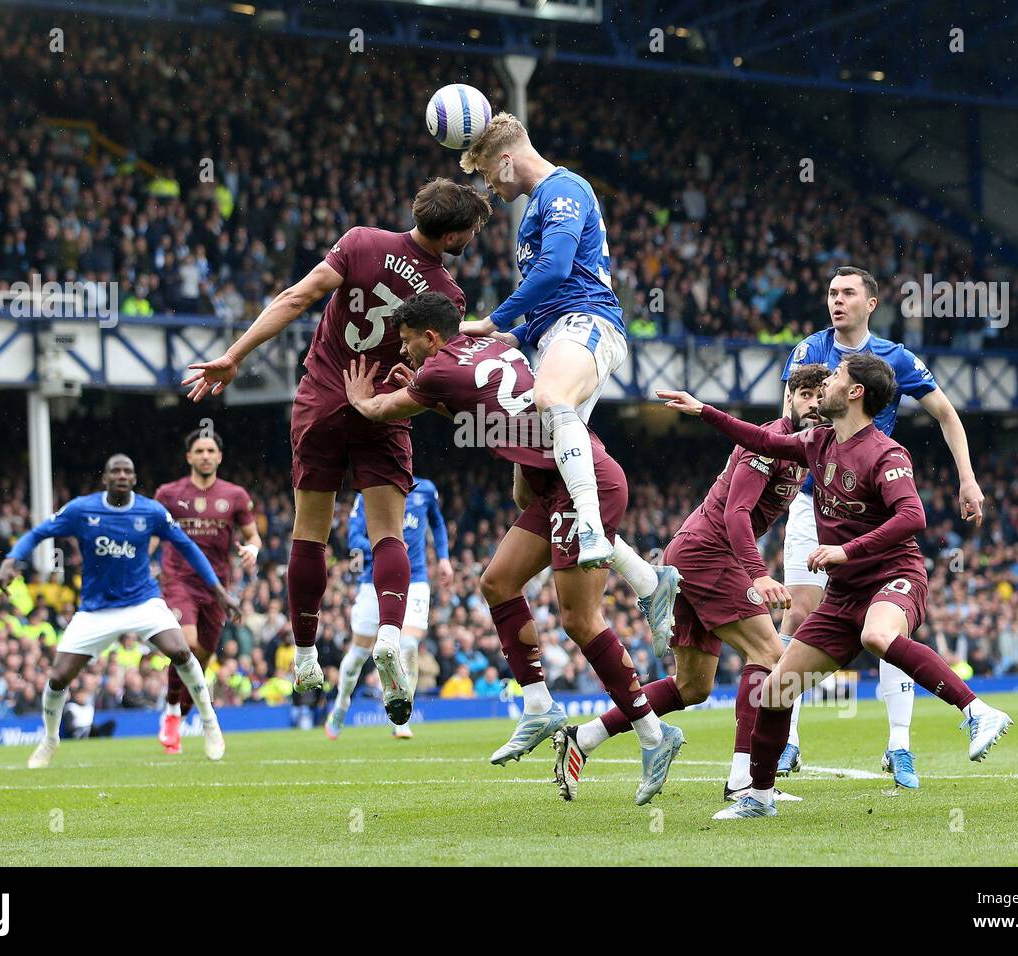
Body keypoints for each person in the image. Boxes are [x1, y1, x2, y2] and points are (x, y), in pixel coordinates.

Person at [343, 291, 684, 805]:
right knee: (497, 581)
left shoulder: (436, 369)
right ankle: (541, 705)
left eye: (409, 341)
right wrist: (421, 390)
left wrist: (360, 400)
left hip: (580, 482)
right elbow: (479, 401)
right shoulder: (488, 349)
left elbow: (383, 411)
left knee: (578, 619)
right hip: (555, 481)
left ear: (431, 336)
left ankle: (654, 735)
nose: (405, 350)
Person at [183, 179, 490, 726]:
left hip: (323, 397)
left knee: (310, 533)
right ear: (450, 234)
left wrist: (234, 356)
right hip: (384, 405)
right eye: (472, 229)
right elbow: (436, 371)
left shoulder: (361, 243)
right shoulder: (447, 296)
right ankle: (390, 637)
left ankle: (305, 655)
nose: (476, 236)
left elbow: (296, 298)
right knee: (388, 534)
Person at [655, 354, 1013, 820]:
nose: (827, 382)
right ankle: (759, 798)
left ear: (856, 392)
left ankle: (976, 712)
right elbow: (760, 438)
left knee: (877, 636)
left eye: (837, 376)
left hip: (893, 576)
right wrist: (703, 410)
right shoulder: (817, 441)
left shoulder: (887, 453)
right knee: (778, 690)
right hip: (843, 596)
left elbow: (913, 517)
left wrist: (847, 551)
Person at [552, 363, 829, 803]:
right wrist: (758, 572)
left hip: (694, 553)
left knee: (693, 687)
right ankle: (745, 779)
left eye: (821, 395)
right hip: (708, 553)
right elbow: (736, 514)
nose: (814, 403)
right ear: (790, 398)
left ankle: (583, 737)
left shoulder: (805, 448)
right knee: (771, 654)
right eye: (806, 395)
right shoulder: (770, 442)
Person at [457, 113, 680, 640]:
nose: (491, 188)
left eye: (491, 175)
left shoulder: (564, 188)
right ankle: (650, 581)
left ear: (507, 159)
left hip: (589, 323)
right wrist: (509, 337)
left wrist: (495, 319)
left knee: (550, 395)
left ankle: (592, 530)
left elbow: (557, 272)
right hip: (554, 334)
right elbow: (547, 296)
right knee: (529, 488)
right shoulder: (537, 202)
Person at [774, 265, 986, 788]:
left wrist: (967, 478)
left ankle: (899, 746)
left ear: (871, 303)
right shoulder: (806, 352)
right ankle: (788, 741)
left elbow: (946, 414)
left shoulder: (895, 358)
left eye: (847, 293)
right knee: (798, 612)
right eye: (830, 292)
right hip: (812, 501)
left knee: (885, 625)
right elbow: (785, 423)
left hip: (870, 510)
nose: (836, 301)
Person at [0, 454, 240, 769]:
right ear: (105, 478)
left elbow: (187, 547)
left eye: (128, 471)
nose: (122, 475)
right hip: (96, 610)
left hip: (143, 602)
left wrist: (219, 591)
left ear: (134, 479)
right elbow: (38, 533)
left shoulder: (150, 511)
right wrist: (11, 559)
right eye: (116, 471)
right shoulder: (83, 509)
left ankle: (209, 723)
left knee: (181, 650)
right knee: (58, 677)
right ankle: (50, 740)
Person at [154, 428, 260, 754]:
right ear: (189, 457)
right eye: (199, 451)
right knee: (185, 645)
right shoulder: (168, 494)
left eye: (210, 451)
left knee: (201, 659)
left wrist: (252, 550)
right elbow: (152, 535)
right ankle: (172, 711)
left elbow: (252, 536)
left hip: (216, 587)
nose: (205, 456)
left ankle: (180, 712)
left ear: (219, 457)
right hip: (177, 581)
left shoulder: (236, 496)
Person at [328, 478, 452, 740]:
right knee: (359, 652)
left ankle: (402, 718)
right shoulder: (369, 492)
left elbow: (438, 523)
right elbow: (354, 538)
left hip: (416, 579)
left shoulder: (426, 490)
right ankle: (341, 703)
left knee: (407, 646)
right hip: (375, 581)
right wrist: (387, 550)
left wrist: (443, 558)